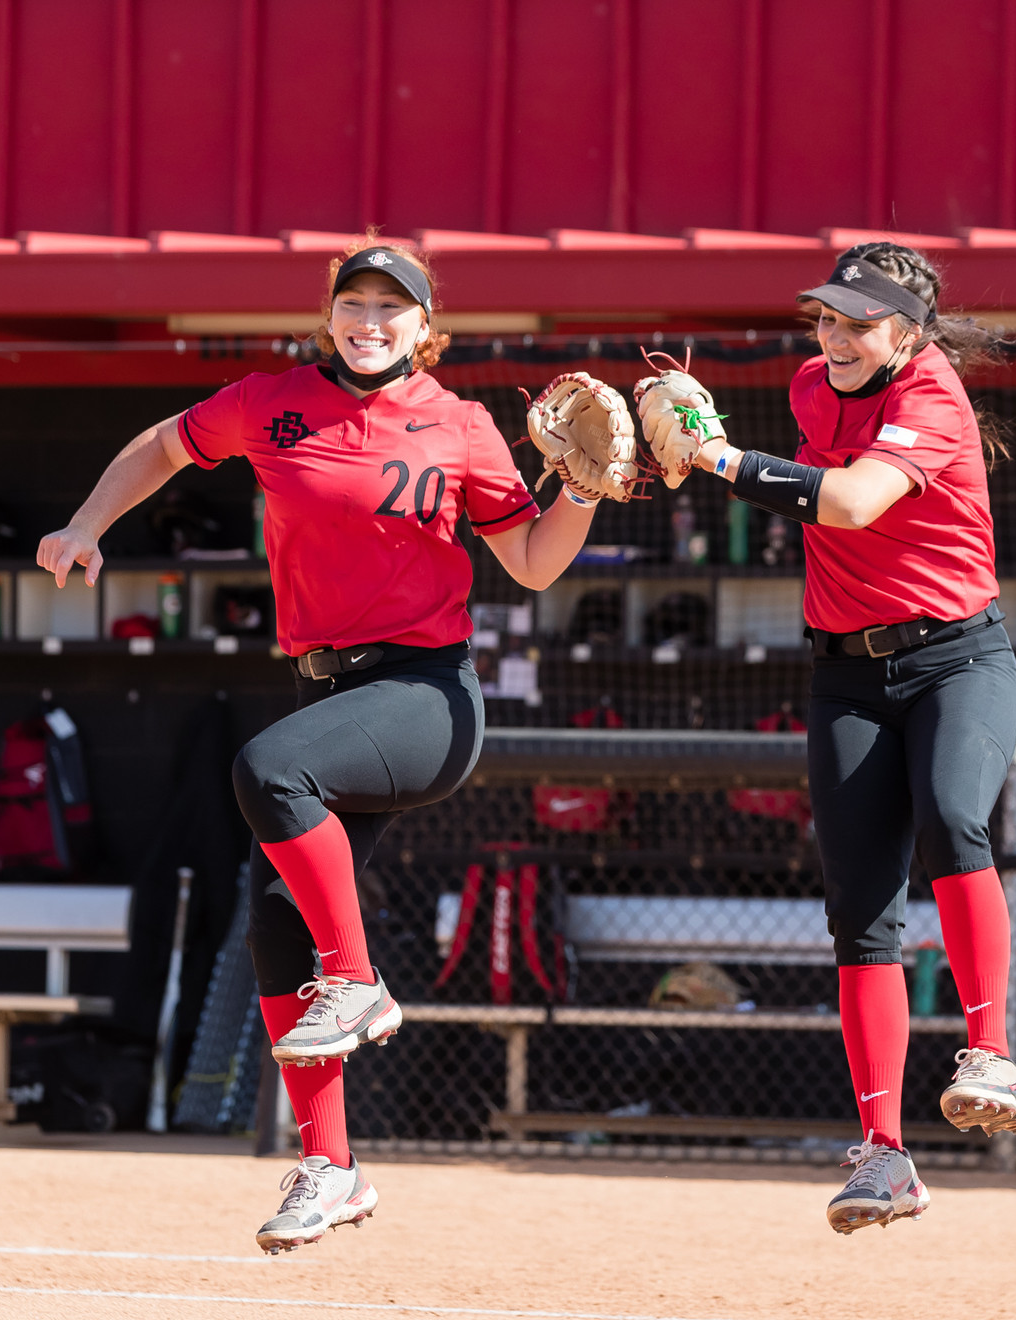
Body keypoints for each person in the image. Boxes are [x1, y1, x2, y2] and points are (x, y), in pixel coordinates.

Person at [35, 238, 604, 1252]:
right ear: (329, 314)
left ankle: (360, 983)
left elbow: (530, 563)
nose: (371, 319)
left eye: (395, 306)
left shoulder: (462, 424)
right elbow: (162, 445)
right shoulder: (271, 400)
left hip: (427, 697)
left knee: (269, 769)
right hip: (332, 689)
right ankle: (330, 1168)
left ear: (427, 328)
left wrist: (587, 489)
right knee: (272, 922)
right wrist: (87, 521)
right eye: (356, 302)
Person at [667, 243, 1016, 1234]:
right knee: (860, 908)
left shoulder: (936, 395)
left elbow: (855, 500)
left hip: (958, 657)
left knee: (955, 821)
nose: (832, 336)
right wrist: (694, 425)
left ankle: (991, 1051)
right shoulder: (808, 386)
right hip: (847, 673)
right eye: (825, 317)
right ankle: (883, 1156)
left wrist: (723, 458)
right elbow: (811, 475)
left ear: (906, 334)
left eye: (857, 322)